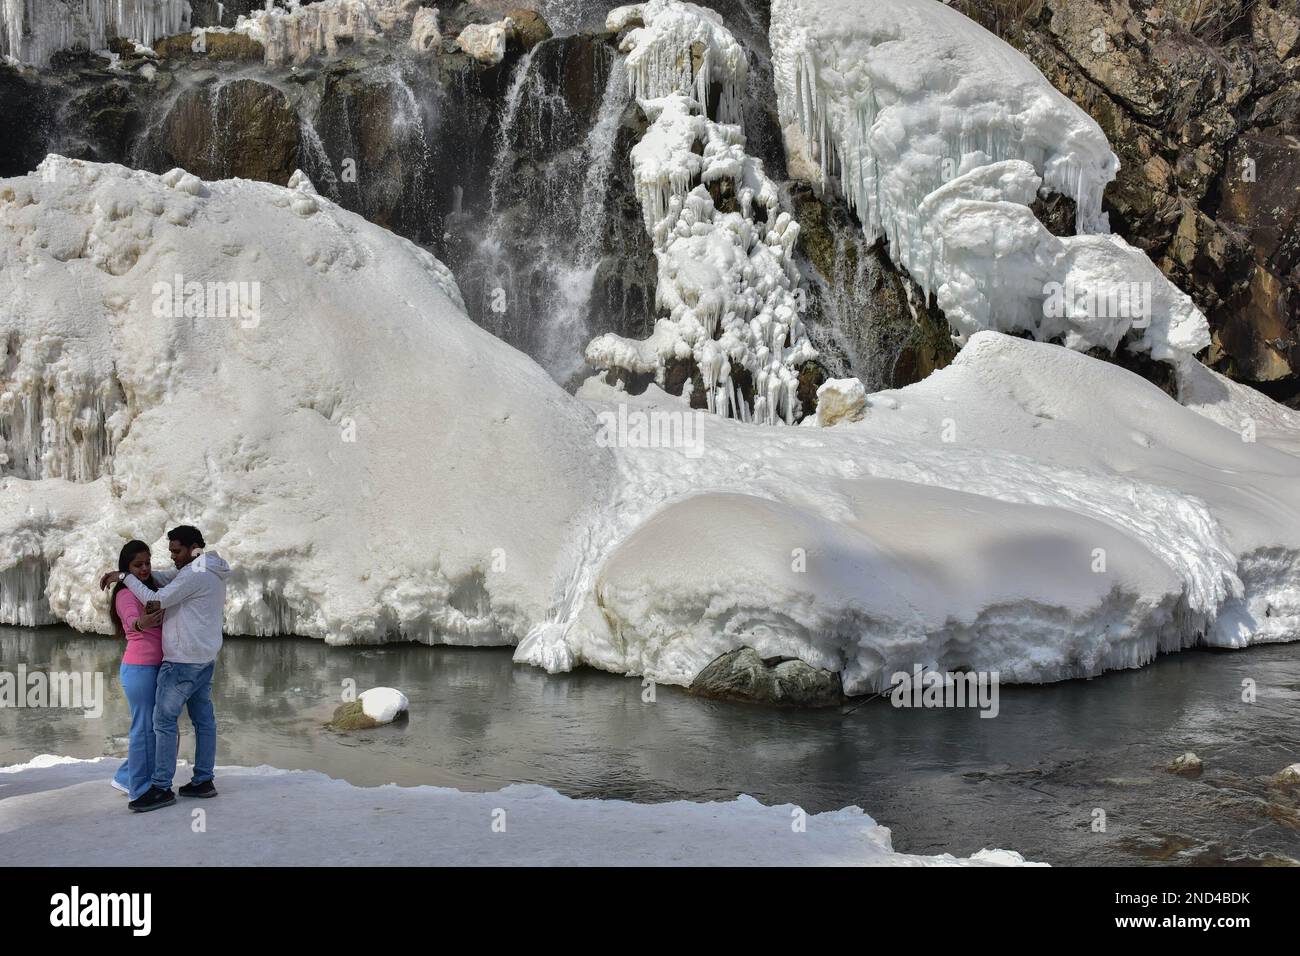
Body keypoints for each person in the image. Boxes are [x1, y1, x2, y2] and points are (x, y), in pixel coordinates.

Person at [101, 525, 230, 813]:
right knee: (203, 721)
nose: (171, 556)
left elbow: (153, 600)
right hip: (204, 659)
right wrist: (138, 575)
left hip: (182, 662)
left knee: (162, 723)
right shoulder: (205, 569)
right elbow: (162, 579)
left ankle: (160, 787)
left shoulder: (194, 574)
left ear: (193, 548)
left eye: (175, 550)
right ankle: (203, 780)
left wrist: (123, 576)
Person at [107, 541, 165, 801]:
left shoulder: (150, 588)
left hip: (156, 667)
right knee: (143, 728)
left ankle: (124, 777)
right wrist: (141, 623)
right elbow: (130, 618)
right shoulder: (126, 594)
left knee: (154, 727)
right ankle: (139, 791)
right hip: (140, 669)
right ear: (126, 568)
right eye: (137, 565)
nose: (144, 569)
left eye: (147, 563)